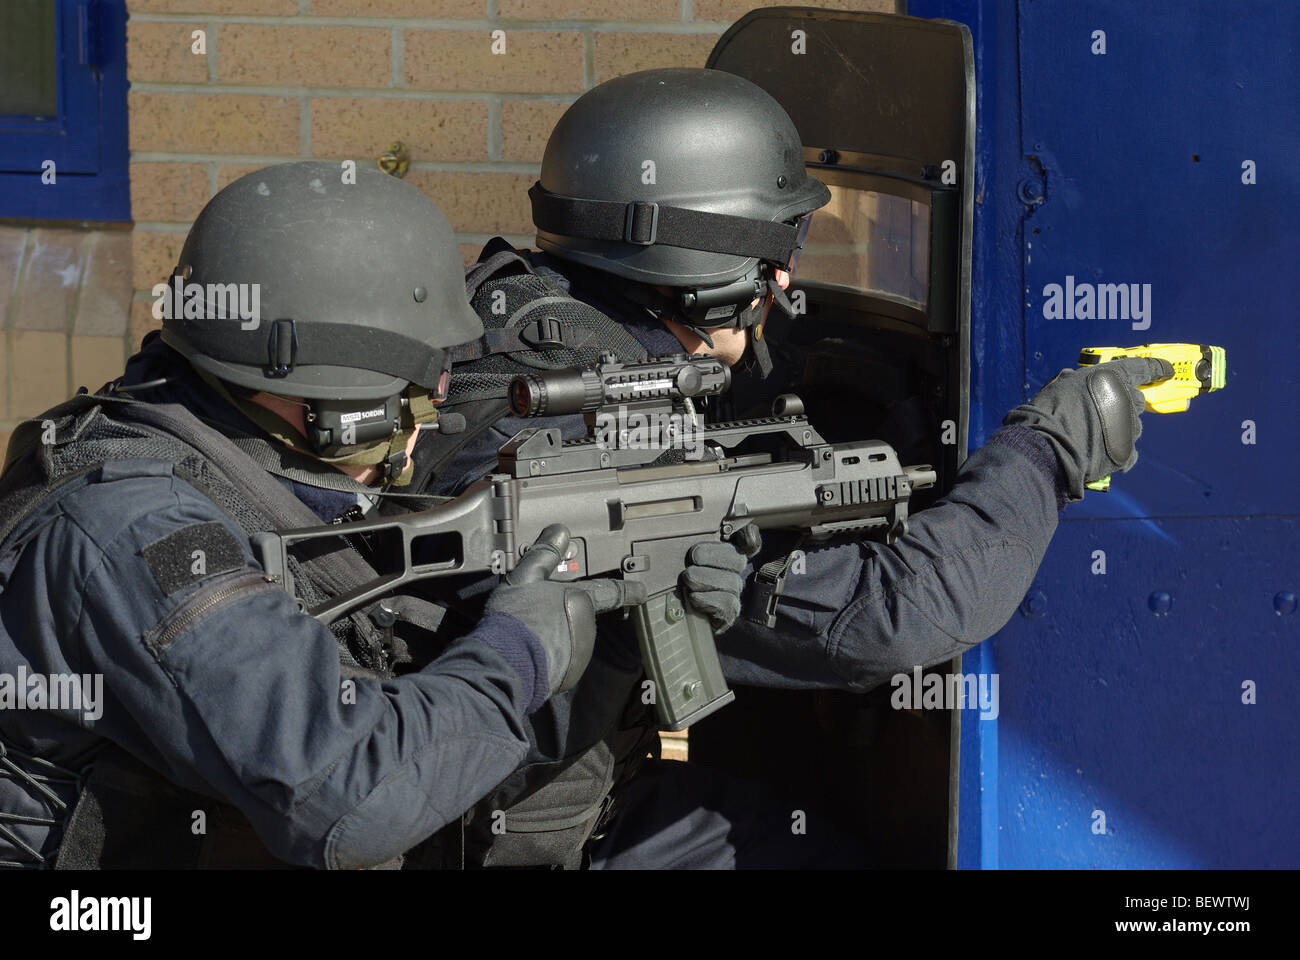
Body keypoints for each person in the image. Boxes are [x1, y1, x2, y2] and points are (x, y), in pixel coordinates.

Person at [409, 68, 1175, 869]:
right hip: (518, 843)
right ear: (719, 270)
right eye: (780, 249)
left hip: (510, 797)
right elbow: (891, 614)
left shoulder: (520, 328)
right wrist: (1052, 447)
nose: (786, 276)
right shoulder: (624, 461)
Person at [0, 161, 636, 870]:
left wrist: (616, 633)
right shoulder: (142, 532)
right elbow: (348, 800)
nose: (432, 414)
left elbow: (429, 758)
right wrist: (518, 653)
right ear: (340, 411)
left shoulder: (251, 467)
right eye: (420, 390)